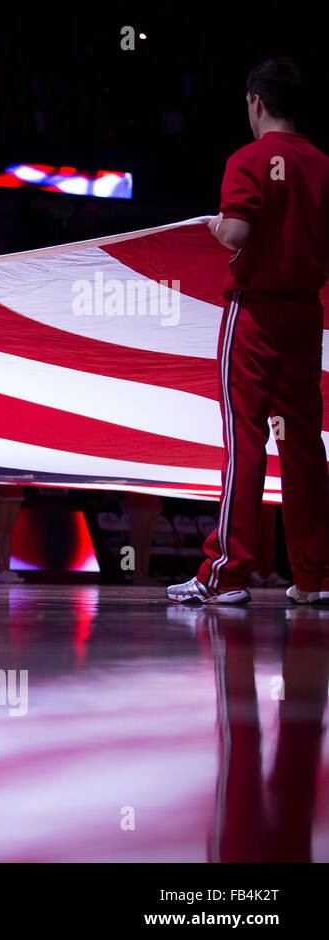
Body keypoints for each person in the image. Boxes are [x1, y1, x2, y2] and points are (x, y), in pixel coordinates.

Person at [168, 58, 329, 606]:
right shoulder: (323, 164)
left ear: (256, 102)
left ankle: (229, 573)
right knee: (304, 443)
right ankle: (313, 576)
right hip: (307, 314)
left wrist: (213, 227)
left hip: (257, 312)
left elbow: (236, 231)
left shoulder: (249, 159)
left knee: (246, 438)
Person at [0, 484, 25, 584]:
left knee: (8, 530)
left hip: (15, 485)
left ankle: (7, 570)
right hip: (0, 485)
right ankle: (0, 570)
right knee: (0, 528)